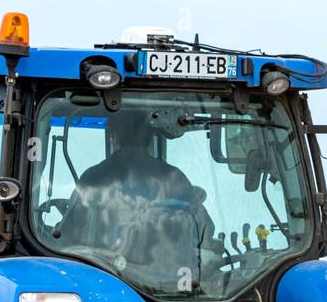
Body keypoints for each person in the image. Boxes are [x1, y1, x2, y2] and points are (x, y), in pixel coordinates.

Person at [55, 106, 216, 288]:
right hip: (174, 288)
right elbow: (205, 234)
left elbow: (68, 240)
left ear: (113, 137)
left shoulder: (93, 178)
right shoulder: (175, 178)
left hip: (105, 285)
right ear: (149, 139)